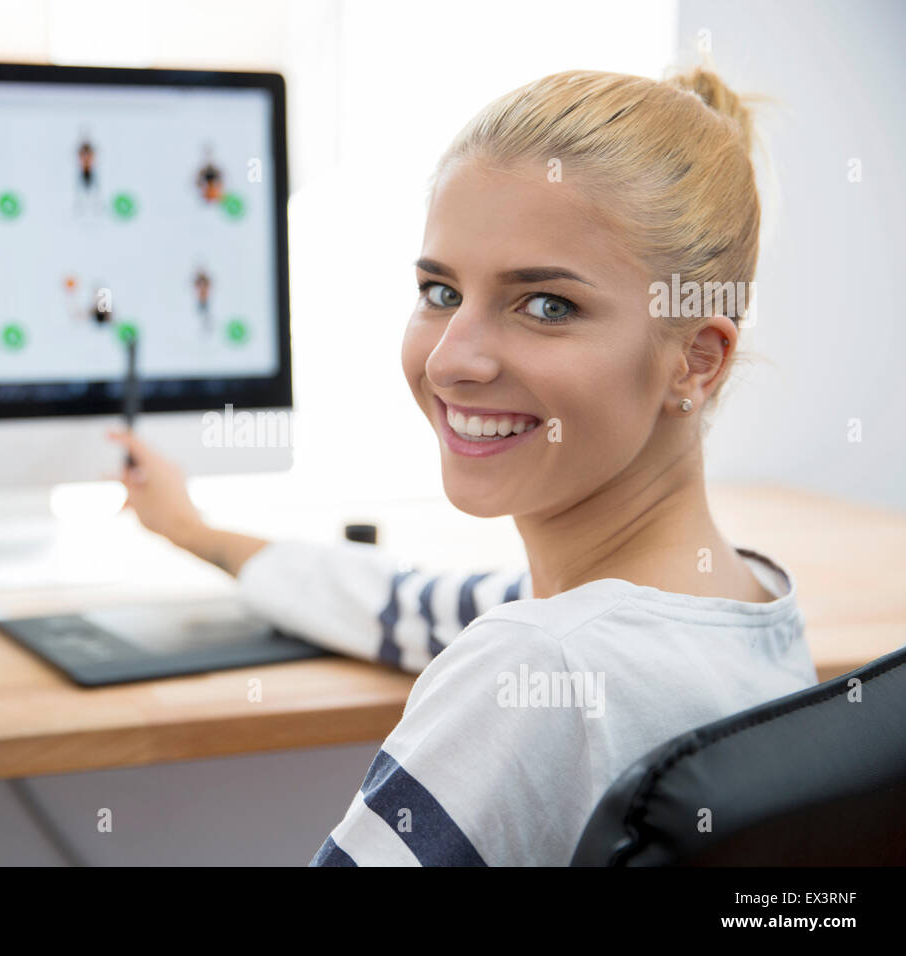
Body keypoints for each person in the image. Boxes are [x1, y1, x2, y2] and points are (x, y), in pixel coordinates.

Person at [107, 65, 818, 867]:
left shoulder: (538, 664)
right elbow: (405, 606)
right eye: (440, 291)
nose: (452, 361)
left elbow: (511, 646)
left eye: (547, 305)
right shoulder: (737, 604)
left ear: (695, 357)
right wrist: (194, 531)